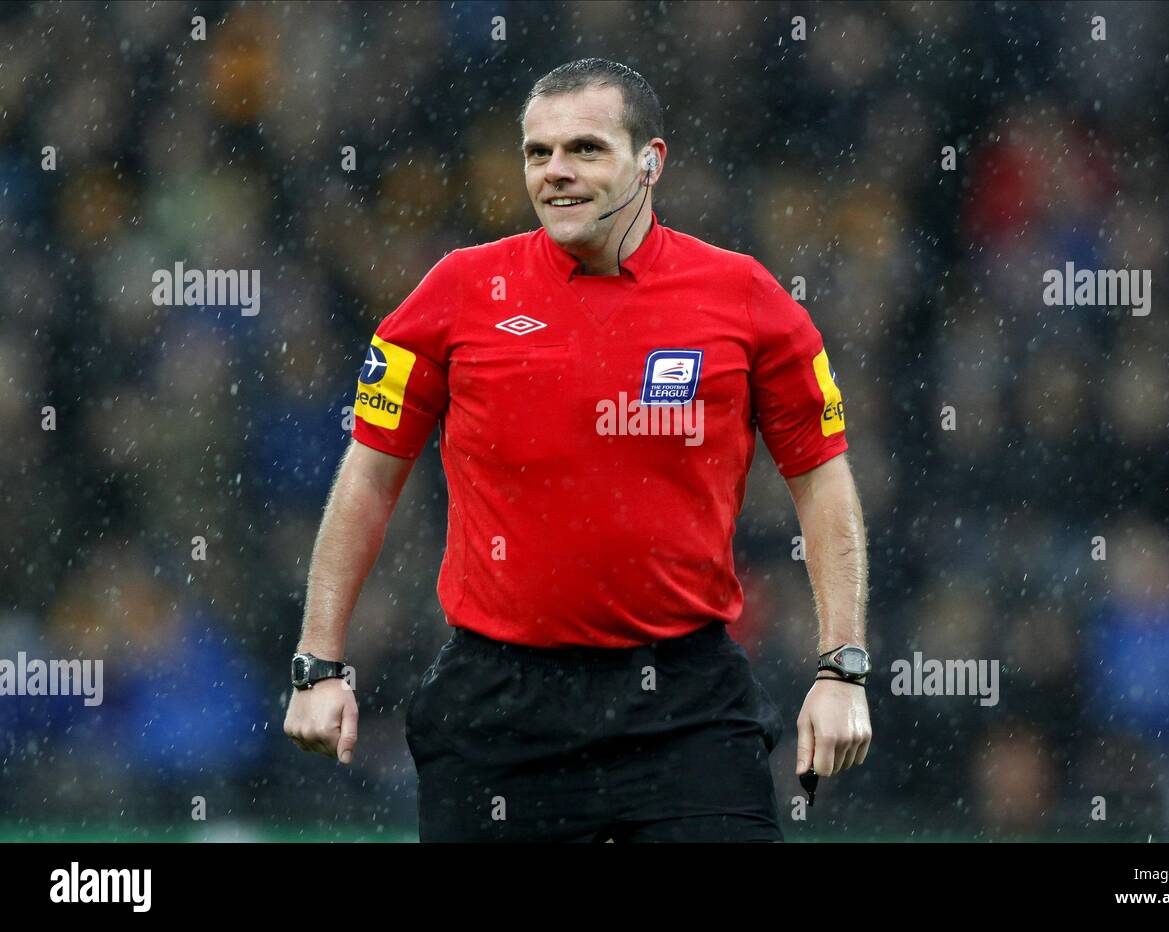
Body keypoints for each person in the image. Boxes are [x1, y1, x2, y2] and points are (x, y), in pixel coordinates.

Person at [283, 58, 871, 842]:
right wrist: (318, 664)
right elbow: (367, 478)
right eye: (538, 153)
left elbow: (822, 481)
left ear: (650, 161)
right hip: (498, 712)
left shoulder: (747, 298)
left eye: (586, 149)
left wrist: (841, 669)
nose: (556, 172)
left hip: (686, 709)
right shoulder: (455, 292)